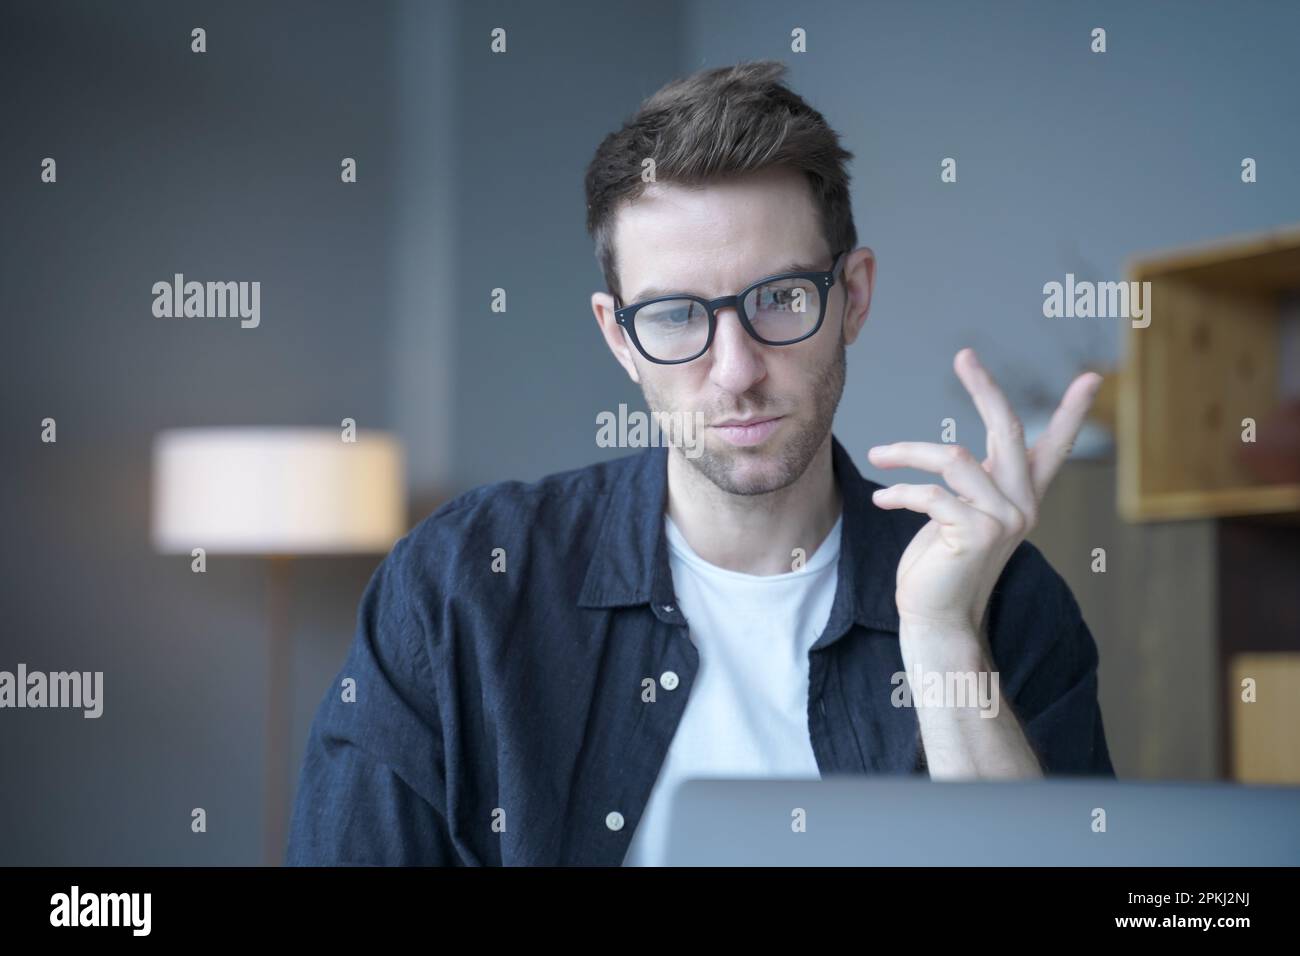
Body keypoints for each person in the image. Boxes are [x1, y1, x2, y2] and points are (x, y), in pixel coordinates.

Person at [286, 59, 1113, 868]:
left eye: (782, 299)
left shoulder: (1005, 601)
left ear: (851, 297)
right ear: (619, 337)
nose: (736, 372)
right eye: (677, 314)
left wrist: (941, 636)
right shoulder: (459, 584)